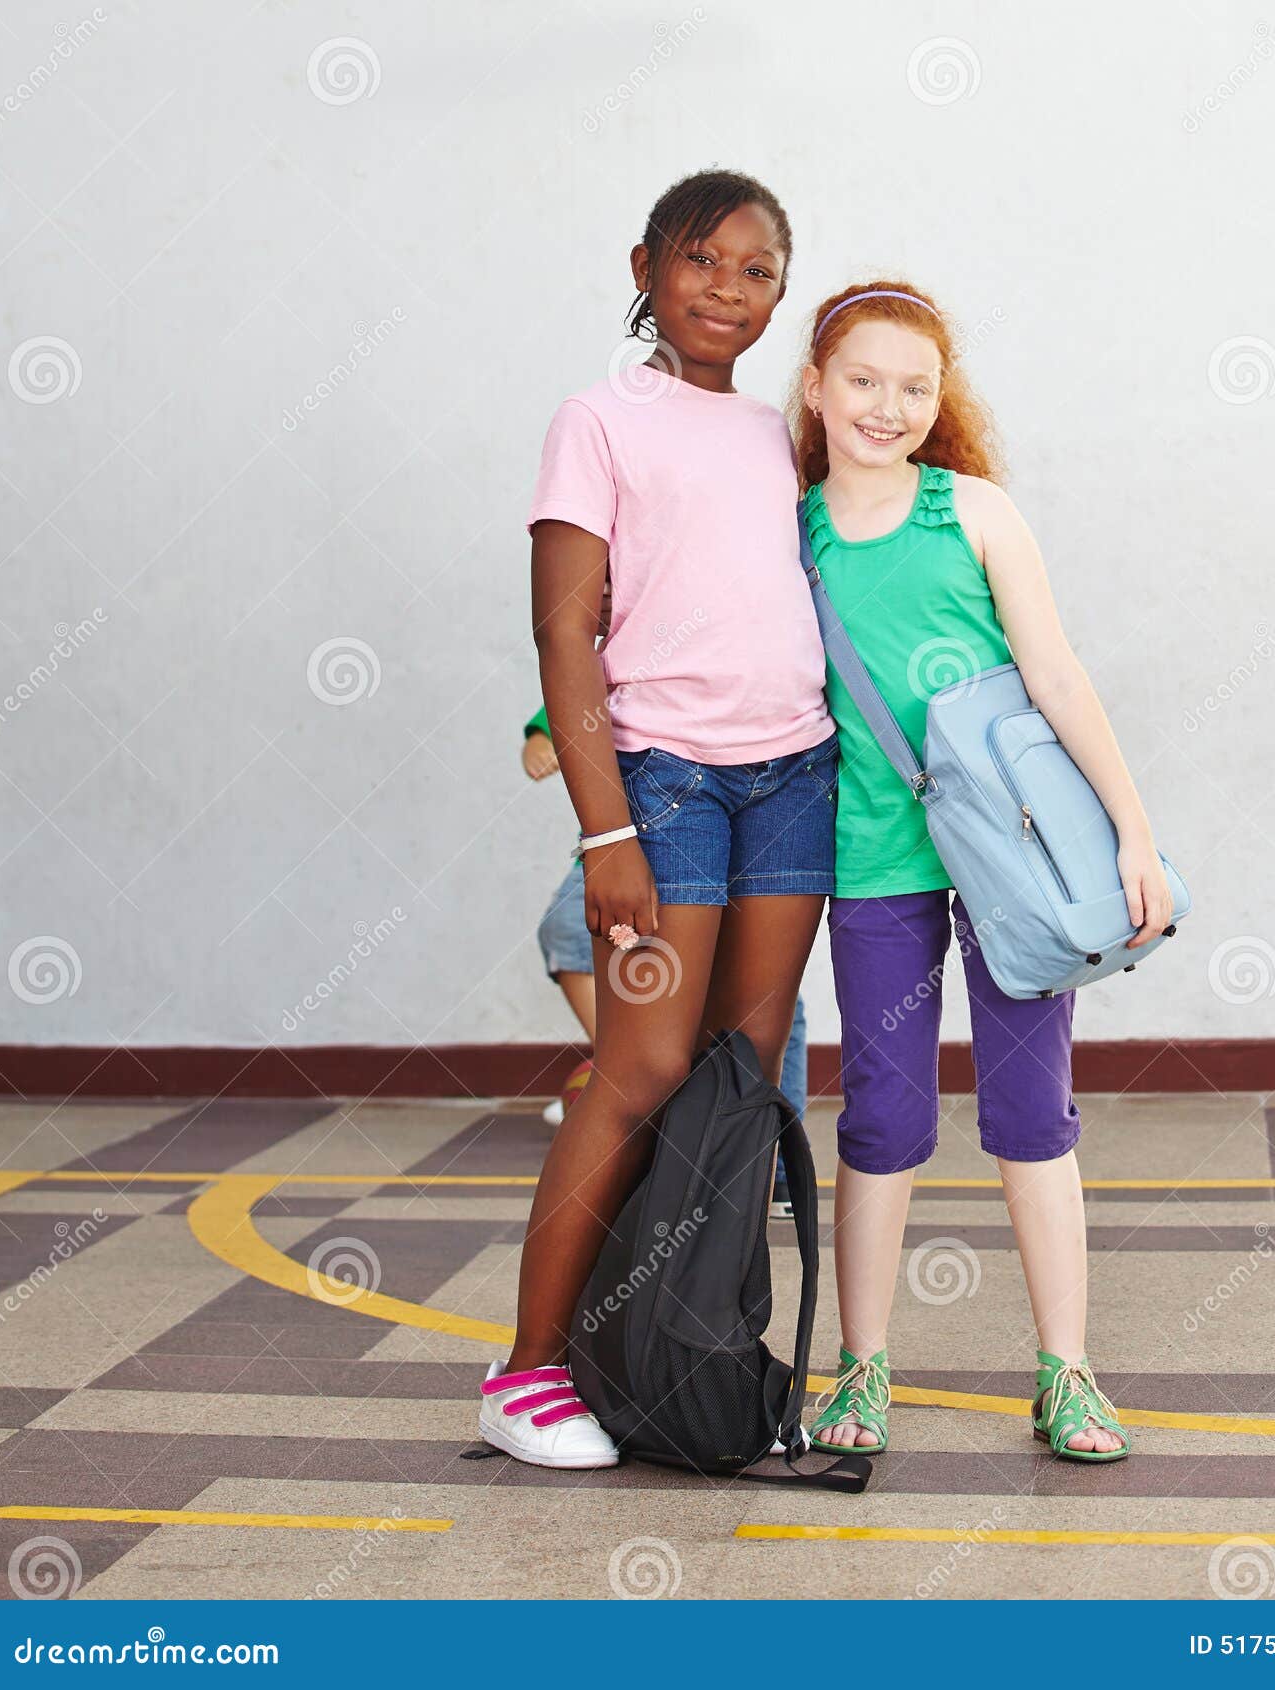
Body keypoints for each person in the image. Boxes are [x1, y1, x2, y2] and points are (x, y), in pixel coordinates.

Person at [478, 169, 838, 1469]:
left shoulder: (773, 433)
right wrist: (604, 830)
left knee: (743, 1078)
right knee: (638, 1069)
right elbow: (563, 631)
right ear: (645, 266)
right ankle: (526, 1371)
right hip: (668, 784)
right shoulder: (596, 419)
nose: (727, 290)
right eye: (702, 261)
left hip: (797, 777)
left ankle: (682, 1344)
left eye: (757, 271)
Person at [790, 282, 1174, 1461]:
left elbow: (1055, 678)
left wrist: (1131, 830)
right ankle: (861, 1371)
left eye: (914, 387)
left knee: (1029, 1110)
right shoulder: (786, 528)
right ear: (814, 386)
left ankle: (1066, 1371)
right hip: (871, 861)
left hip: (1012, 858)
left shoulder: (975, 513)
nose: (886, 406)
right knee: (883, 1115)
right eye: (862, 380)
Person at [523, 703, 809, 1187]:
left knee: (762, 999)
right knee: (574, 931)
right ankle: (639, 1076)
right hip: (641, 832)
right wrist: (541, 736)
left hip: (759, 799)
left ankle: (771, 1164)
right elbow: (581, 678)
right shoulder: (637, 656)